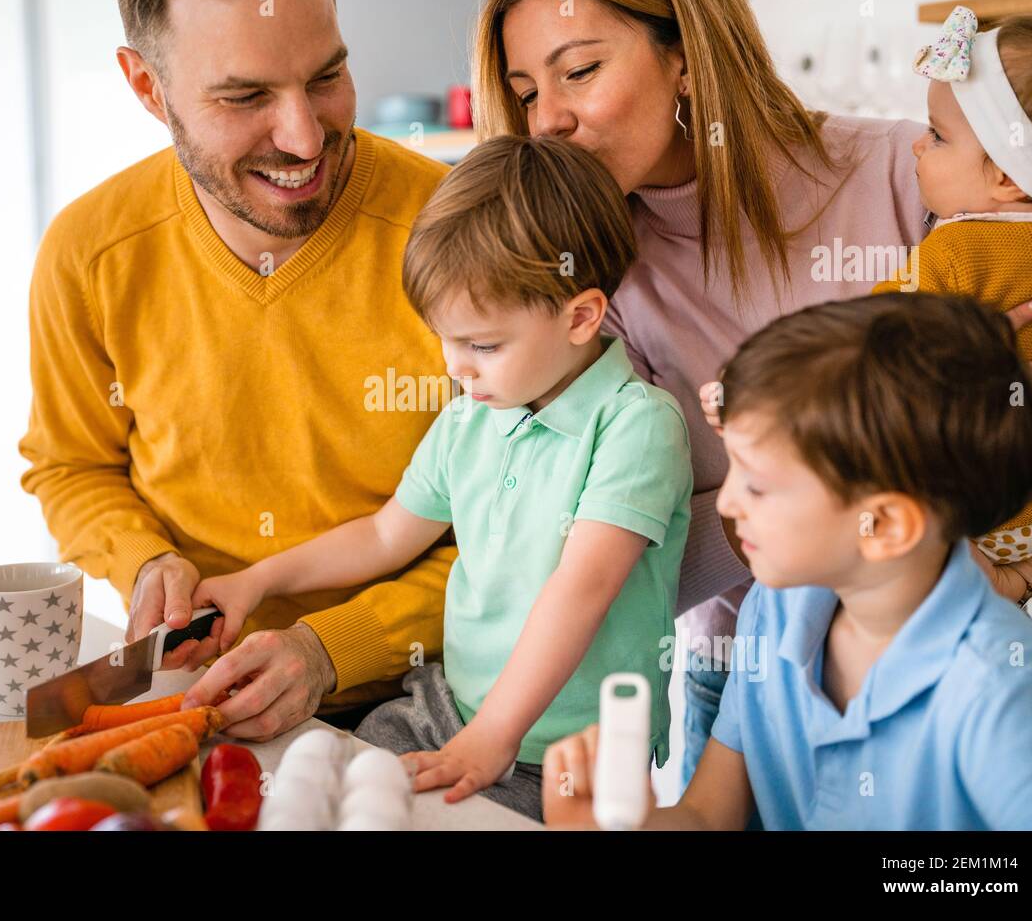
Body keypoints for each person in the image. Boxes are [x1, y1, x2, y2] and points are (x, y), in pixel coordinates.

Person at [473, 0, 1032, 790]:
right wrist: (833, 475)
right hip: (751, 667)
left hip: (953, 640)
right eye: (525, 91)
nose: (550, 120)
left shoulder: (910, 172)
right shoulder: (590, 285)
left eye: (579, 70)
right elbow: (630, 568)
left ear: (684, 52)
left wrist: (1026, 571)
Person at [190, 135, 692, 821]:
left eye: (483, 345)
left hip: (571, 754)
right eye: (445, 339)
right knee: (336, 788)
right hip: (448, 703)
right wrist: (259, 578)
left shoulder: (636, 426)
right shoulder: (471, 420)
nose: (456, 366)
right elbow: (382, 534)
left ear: (581, 317)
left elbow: (582, 590)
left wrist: (496, 735)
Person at [18, 0, 457, 740]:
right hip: (195, 696)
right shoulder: (88, 254)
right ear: (148, 88)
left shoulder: (457, 234)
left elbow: (523, 523)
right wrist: (145, 563)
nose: (305, 136)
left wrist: (332, 647)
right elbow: (72, 465)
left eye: (328, 76)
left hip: (435, 696)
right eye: (245, 96)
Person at [544, 293, 1032, 830]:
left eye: (758, 484)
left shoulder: (1006, 694)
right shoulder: (775, 609)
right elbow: (706, 815)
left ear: (884, 526)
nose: (725, 503)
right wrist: (619, 824)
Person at [874, 7, 1032, 640]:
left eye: (938, 135)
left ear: (1006, 177)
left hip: (979, 512)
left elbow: (875, 337)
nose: (918, 146)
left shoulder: (959, 250)